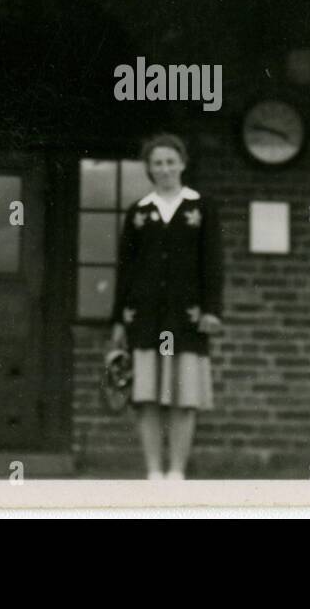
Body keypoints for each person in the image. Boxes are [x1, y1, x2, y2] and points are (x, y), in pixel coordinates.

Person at [110, 133, 223, 480]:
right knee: (146, 396)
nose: (164, 169)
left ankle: (176, 471)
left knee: (182, 396)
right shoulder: (139, 212)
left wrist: (211, 310)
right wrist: (118, 319)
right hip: (144, 317)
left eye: (170, 161)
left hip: (185, 318)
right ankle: (154, 471)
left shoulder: (201, 208)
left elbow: (212, 263)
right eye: (157, 163)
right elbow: (125, 269)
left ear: (183, 164)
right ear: (148, 168)